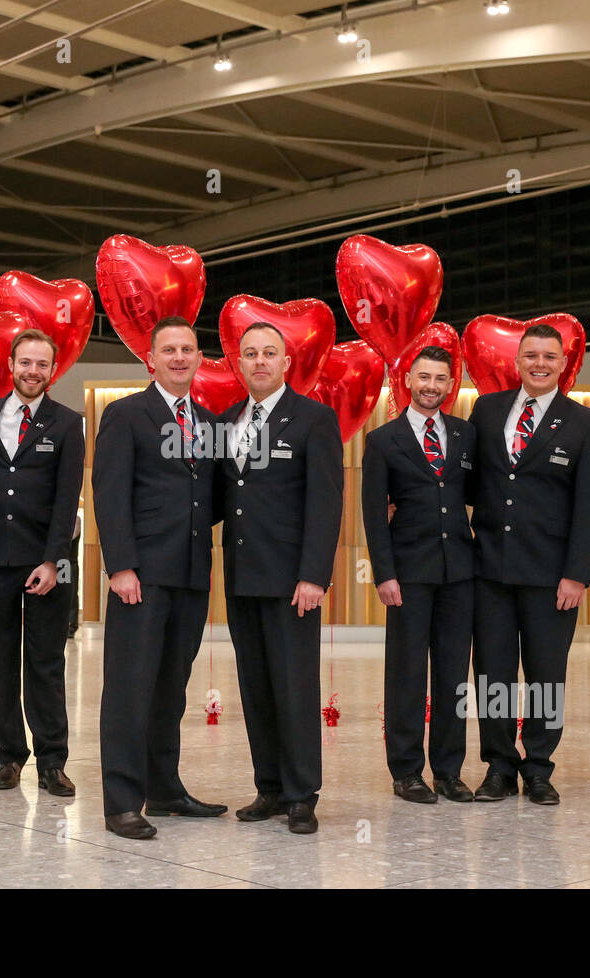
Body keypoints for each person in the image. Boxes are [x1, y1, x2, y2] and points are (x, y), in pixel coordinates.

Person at [92, 316, 225, 840]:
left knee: (171, 688)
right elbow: (109, 492)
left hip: (191, 574)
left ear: (197, 359)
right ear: (151, 359)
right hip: (140, 575)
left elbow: (211, 499)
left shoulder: (210, 424)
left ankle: (165, 788)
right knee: (129, 687)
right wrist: (120, 564)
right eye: (168, 349)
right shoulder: (125, 414)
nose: (178, 358)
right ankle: (122, 801)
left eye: (187, 350)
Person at [468, 324, 590, 806]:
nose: (540, 363)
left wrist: (577, 573)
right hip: (489, 570)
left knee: (547, 674)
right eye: (531, 355)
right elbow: (468, 483)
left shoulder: (586, 423)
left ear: (564, 362)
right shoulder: (486, 410)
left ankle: (539, 767)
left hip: (553, 577)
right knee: (493, 674)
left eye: (550, 356)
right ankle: (499, 766)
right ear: (518, 361)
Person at [219, 322, 344, 834]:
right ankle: (268, 788)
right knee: (255, 687)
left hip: (293, 582)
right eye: (250, 354)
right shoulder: (226, 422)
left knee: (294, 688)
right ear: (240, 364)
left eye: (270, 353)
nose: (260, 362)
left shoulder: (314, 419)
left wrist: (313, 575)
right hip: (242, 577)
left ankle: (301, 794)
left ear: (286, 362)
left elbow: (326, 501)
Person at [0, 329, 84, 797]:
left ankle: (52, 760)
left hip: (45, 562)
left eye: (42, 364)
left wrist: (54, 559)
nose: (32, 371)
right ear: (11, 365)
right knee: (1, 659)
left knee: (45, 660)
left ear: (52, 370)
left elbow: (66, 496)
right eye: (25, 362)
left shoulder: (67, 422)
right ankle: (9, 755)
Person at [361, 346, 477, 805]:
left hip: (460, 573)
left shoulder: (466, 435)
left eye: (440, 379)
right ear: (408, 380)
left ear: (451, 385)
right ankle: (406, 771)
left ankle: (449, 770)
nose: (431, 385)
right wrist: (384, 574)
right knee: (406, 674)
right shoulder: (383, 440)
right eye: (423, 377)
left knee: (454, 674)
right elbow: (373, 513)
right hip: (407, 574)